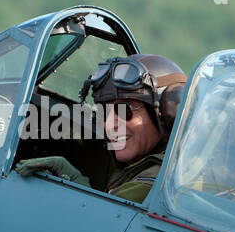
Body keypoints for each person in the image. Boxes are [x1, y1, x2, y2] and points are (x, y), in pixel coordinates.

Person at [16, 54, 187, 203]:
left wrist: (76, 181)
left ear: (167, 113)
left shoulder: (155, 183)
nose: (108, 124)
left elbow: (98, 225)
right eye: (104, 113)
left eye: (124, 111)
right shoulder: (177, 165)